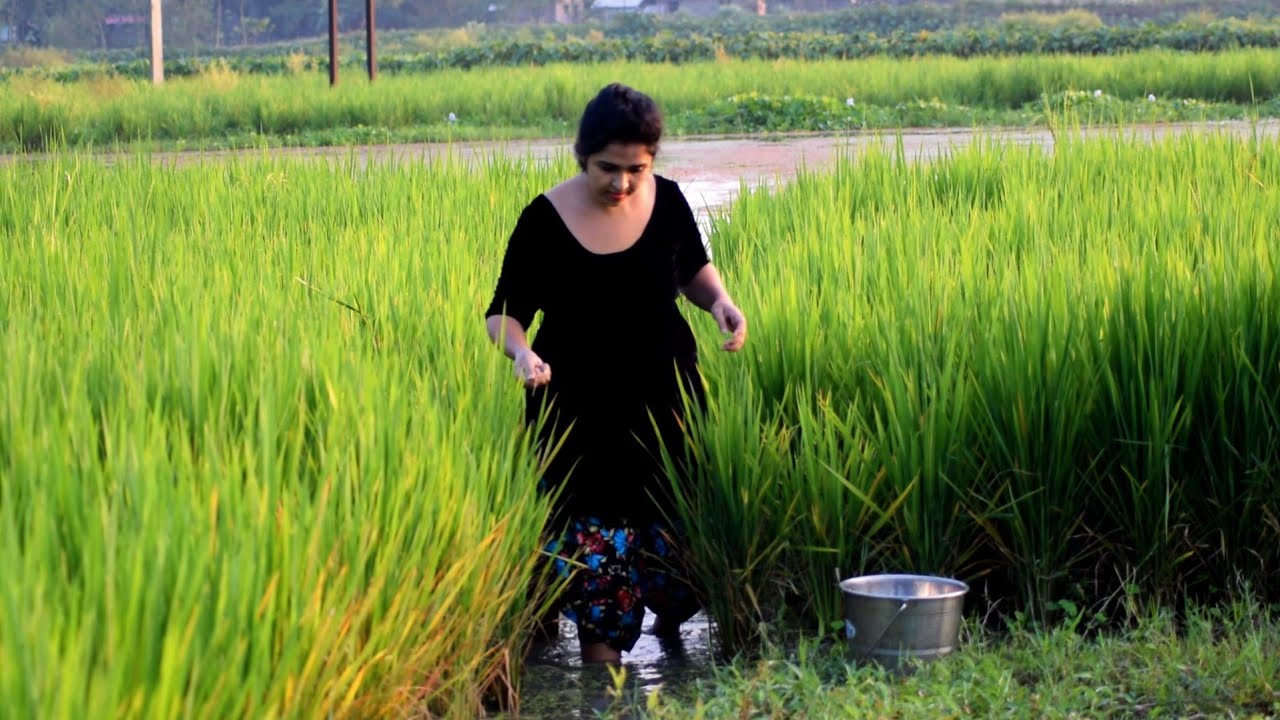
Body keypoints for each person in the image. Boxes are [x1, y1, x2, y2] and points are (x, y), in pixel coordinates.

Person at [484, 83, 747, 664]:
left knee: (676, 546)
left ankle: (672, 644)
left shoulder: (670, 201)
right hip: (578, 417)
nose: (622, 183)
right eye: (608, 167)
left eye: (637, 168)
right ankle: (601, 680)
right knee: (594, 552)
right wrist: (521, 353)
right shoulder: (544, 219)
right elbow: (504, 313)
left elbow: (693, 271)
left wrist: (721, 303)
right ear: (582, 155)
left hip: (666, 407)